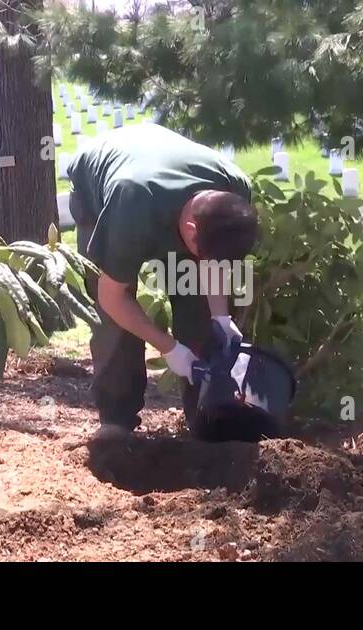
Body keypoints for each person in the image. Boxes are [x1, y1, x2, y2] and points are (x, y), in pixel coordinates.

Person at [67, 123, 258, 440]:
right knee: (114, 320)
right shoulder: (132, 202)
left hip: (163, 182)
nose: (207, 262)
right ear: (192, 232)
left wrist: (222, 320)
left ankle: (208, 420)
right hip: (103, 193)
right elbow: (112, 297)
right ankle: (116, 420)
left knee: (200, 308)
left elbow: (213, 262)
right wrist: (169, 348)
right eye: (204, 254)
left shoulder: (234, 187)